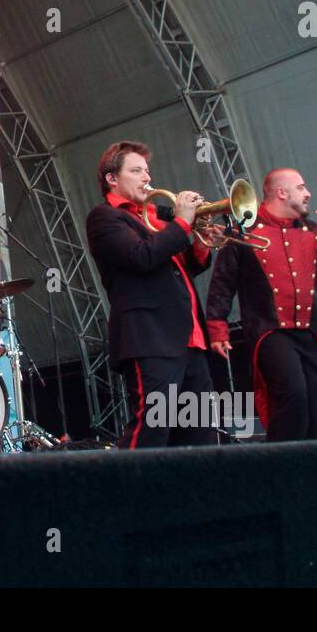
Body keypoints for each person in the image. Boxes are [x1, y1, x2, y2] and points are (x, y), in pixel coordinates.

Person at [85, 141, 218, 448]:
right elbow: (141, 257)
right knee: (152, 431)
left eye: (146, 171)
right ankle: (129, 494)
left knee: (200, 435)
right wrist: (183, 222)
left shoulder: (157, 217)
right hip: (150, 338)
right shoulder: (105, 217)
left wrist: (199, 241)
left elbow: (179, 270)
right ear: (112, 179)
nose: (147, 178)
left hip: (189, 338)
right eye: (136, 171)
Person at [205, 168, 317, 441]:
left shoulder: (312, 229)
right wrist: (217, 327)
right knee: (293, 394)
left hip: (311, 331)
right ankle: (283, 463)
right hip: (270, 330)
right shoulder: (243, 229)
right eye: (301, 187)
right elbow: (222, 282)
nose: (308, 193)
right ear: (282, 193)